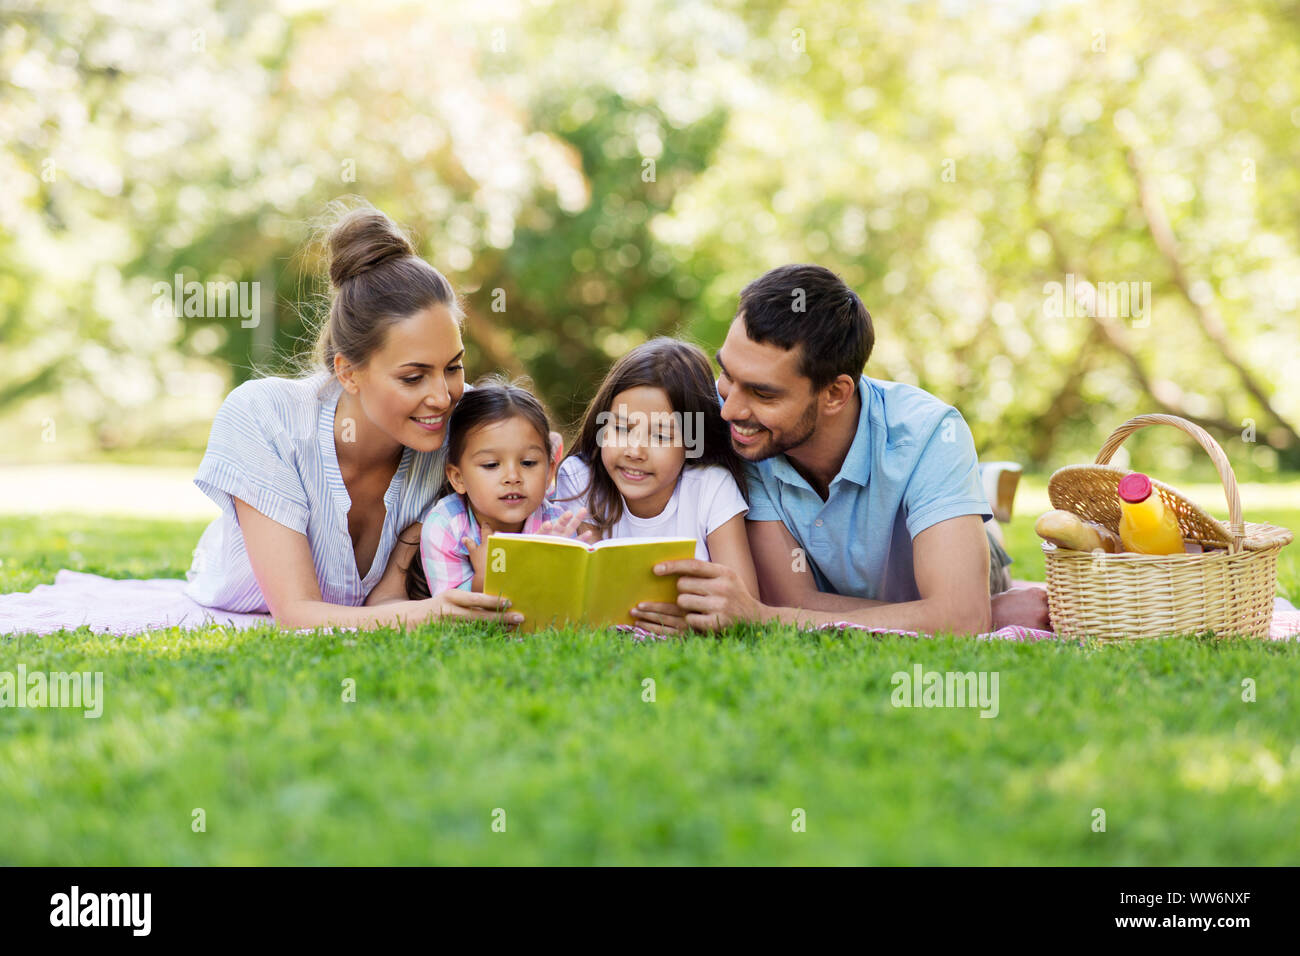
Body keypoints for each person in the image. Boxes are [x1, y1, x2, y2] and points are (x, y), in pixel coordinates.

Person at [183, 200, 561, 630]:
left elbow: (560, 473)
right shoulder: (266, 417)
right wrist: (432, 613)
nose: (442, 397)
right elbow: (296, 614)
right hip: (237, 605)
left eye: (453, 367)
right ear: (348, 372)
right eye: (414, 377)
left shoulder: (469, 423)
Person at [629, 265, 1051, 635]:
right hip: (881, 586)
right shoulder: (742, 432)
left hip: (936, 560)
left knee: (977, 556)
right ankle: (979, 495)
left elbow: (960, 619)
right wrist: (957, 616)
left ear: (835, 394)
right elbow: (787, 598)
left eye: (762, 393)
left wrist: (966, 612)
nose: (730, 409)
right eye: (727, 374)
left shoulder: (928, 433)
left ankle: (981, 506)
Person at [549, 338, 759, 598]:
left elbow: (744, 601)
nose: (635, 451)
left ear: (693, 442)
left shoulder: (711, 487)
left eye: (660, 436)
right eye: (622, 429)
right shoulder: (581, 478)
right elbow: (589, 589)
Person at [408, 377, 581, 597]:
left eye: (528, 463)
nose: (512, 477)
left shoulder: (556, 525)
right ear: (458, 478)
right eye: (491, 465)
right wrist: (486, 577)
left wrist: (559, 564)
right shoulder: (446, 525)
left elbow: (565, 606)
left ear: (549, 473)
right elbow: (452, 614)